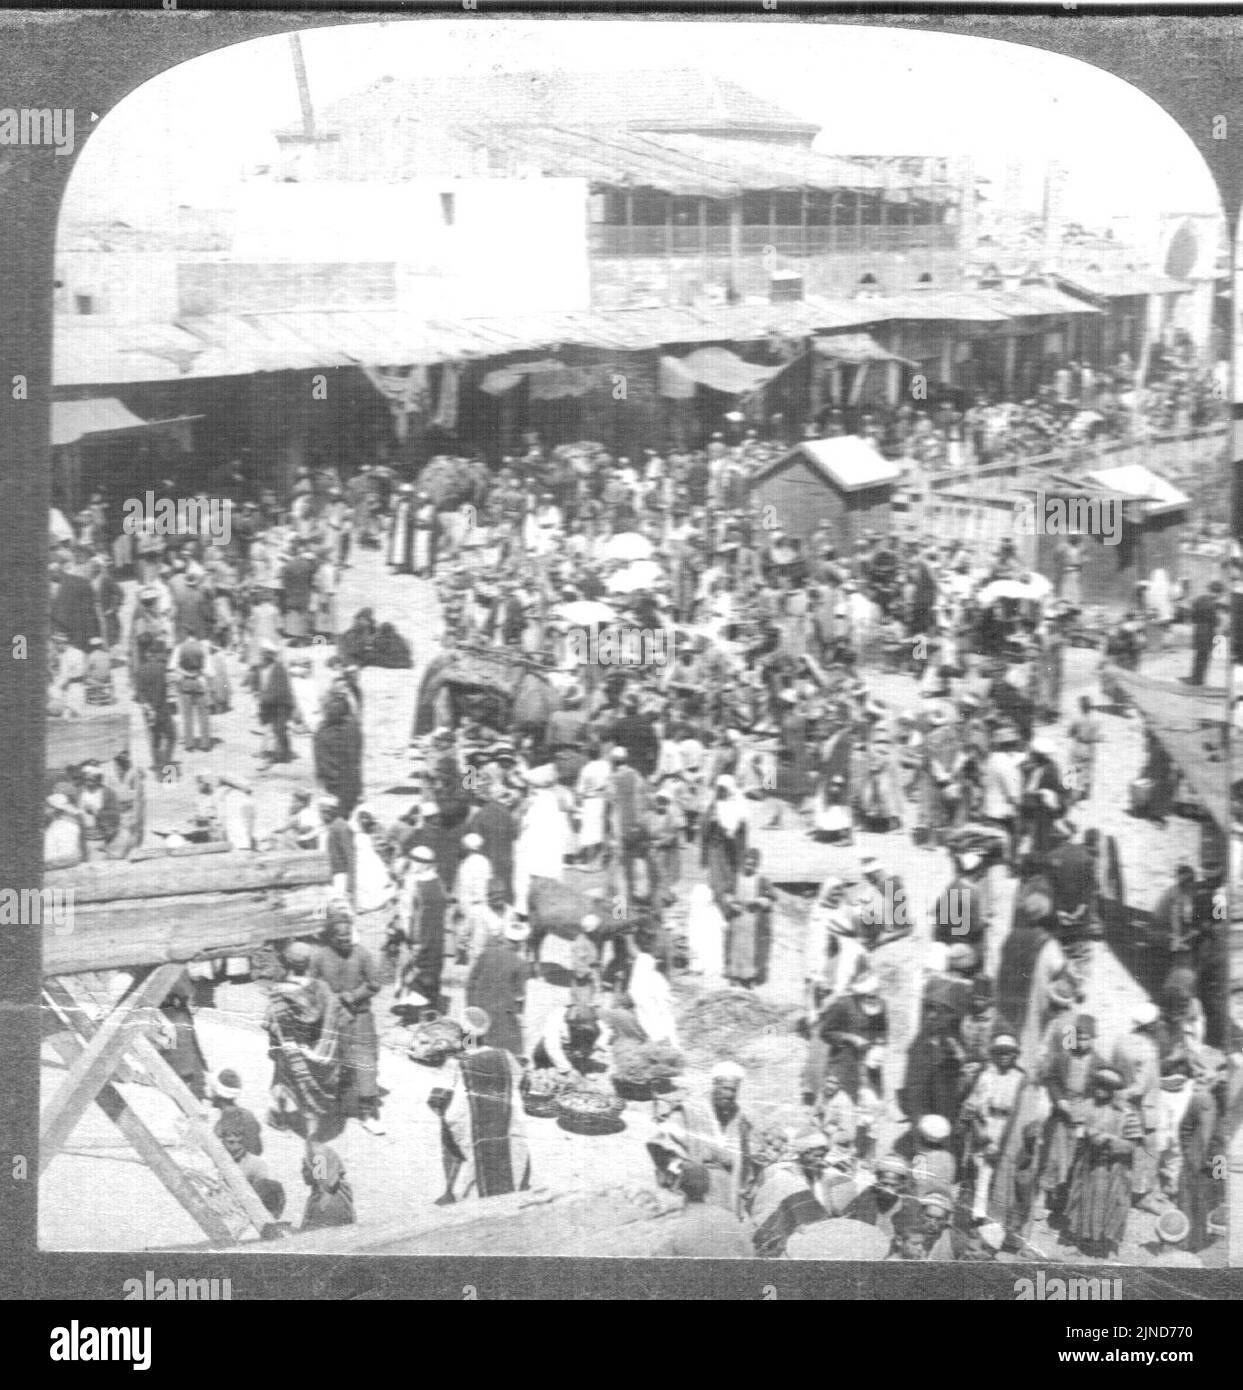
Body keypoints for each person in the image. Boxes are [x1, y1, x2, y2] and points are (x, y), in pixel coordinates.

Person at [431, 1008, 531, 1203]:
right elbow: (524, 1084)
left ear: (462, 1032)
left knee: (465, 1154)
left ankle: (459, 1194)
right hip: (502, 1128)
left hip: (471, 1132)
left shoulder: (456, 1063)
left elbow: (440, 1100)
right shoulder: (505, 1056)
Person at [308, 902, 385, 1135]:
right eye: (339, 936)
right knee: (334, 1062)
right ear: (330, 936)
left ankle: (368, 1112)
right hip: (332, 1020)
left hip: (360, 1016)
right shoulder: (320, 956)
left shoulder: (361, 954)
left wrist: (354, 996)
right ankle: (336, 1103)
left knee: (366, 1063)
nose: (345, 940)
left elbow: (375, 983)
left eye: (347, 935)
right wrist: (326, 998)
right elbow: (310, 985)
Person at [648, 1061, 755, 1216]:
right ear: (715, 1086)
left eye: (734, 1090)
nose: (730, 1094)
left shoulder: (739, 1119)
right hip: (700, 1190)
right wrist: (680, 1168)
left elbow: (748, 1157)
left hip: (730, 1192)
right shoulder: (691, 1110)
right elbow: (661, 1142)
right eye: (725, 1088)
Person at [264, 941, 341, 1132]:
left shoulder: (279, 991)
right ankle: (312, 1134)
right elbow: (333, 1017)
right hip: (314, 1049)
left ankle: (280, 1119)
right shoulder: (322, 988)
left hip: (288, 1050)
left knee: (282, 1082)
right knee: (310, 1091)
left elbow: (269, 1023)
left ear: (287, 963)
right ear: (308, 963)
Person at [1062, 1067, 1136, 1258]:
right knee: (1083, 1201)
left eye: (1106, 1087)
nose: (1100, 1090)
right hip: (1088, 1164)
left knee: (1110, 1203)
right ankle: (1080, 1240)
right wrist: (1083, 1135)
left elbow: (1133, 1146)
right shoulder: (1086, 1106)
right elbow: (1076, 1132)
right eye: (1098, 1085)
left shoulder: (1125, 1112)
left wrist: (1109, 1140)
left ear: (1113, 1090)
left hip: (1113, 1167)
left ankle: (1105, 1244)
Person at [654, 1162, 754, 1259]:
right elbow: (749, 1254)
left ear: (679, 1190)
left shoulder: (674, 1228)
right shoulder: (728, 1217)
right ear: (707, 1187)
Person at [466, 915, 530, 1057]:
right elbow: (519, 996)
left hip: (477, 1004)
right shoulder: (520, 963)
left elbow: (472, 980)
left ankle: (466, 1051)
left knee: (471, 1031)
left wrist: (469, 1002)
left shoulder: (487, 952)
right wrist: (519, 1015)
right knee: (509, 1044)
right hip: (499, 1013)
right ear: (520, 943)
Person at [398, 845, 450, 1014]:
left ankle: (412, 1011)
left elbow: (407, 914)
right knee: (433, 970)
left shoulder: (412, 883)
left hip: (418, 937)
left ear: (423, 864)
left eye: (416, 861)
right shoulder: (438, 881)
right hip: (437, 936)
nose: (413, 863)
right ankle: (431, 1007)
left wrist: (406, 935)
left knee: (414, 971)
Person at [726, 848, 774, 988]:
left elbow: (771, 897)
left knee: (751, 950)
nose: (749, 866)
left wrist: (759, 901)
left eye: (752, 864)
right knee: (736, 948)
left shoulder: (761, 880)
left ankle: (748, 978)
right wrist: (731, 903)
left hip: (753, 920)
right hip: (737, 918)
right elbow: (727, 893)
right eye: (747, 863)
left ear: (757, 865)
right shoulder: (736, 877)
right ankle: (735, 975)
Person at [314, 692, 363, 818]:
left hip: (341, 782)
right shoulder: (350, 728)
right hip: (334, 781)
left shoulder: (347, 730)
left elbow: (353, 758)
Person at [255, 642, 296, 766]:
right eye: (262, 654)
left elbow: (279, 690)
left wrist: (264, 699)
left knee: (279, 730)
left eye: (265, 654)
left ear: (270, 655)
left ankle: (279, 755)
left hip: (280, 705)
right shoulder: (264, 668)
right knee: (270, 729)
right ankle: (270, 753)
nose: (262, 656)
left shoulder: (279, 669)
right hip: (270, 704)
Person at [300, 1141, 356, 1230]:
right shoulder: (329, 1193)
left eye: (306, 1168)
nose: (302, 1171)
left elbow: (316, 1240)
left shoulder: (327, 1204)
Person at [209, 1069, 263, 1157]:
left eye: (212, 1091)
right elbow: (258, 1150)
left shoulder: (221, 1118)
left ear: (217, 1094)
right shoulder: (248, 1115)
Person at [1186, 581, 1221, 686]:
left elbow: (1192, 615)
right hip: (1208, 631)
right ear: (1218, 593)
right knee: (1204, 657)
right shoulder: (1214, 604)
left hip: (1198, 630)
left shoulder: (1199, 599)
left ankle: (1194, 678)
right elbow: (1215, 621)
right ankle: (1199, 681)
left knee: (1198, 656)